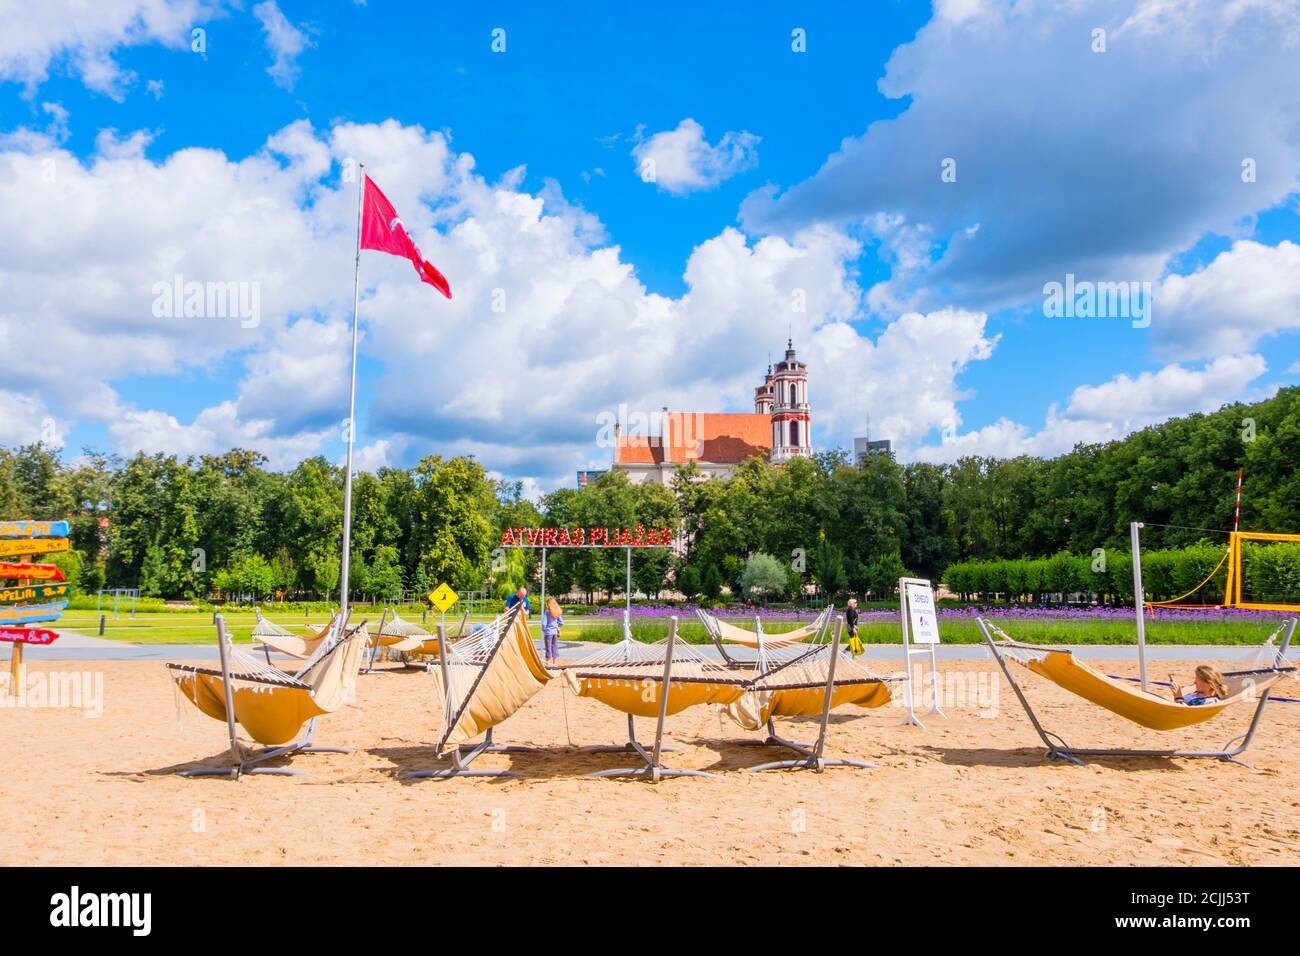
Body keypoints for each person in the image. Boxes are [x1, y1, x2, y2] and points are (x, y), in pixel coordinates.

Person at [541, 596, 564, 666]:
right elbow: (562, 622)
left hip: (548, 633)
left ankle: (548, 663)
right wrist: (557, 627)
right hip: (555, 633)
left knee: (548, 648)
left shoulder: (547, 612)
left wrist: (543, 629)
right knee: (555, 647)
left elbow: (544, 623)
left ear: (548, 604)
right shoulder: (557, 612)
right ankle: (554, 663)